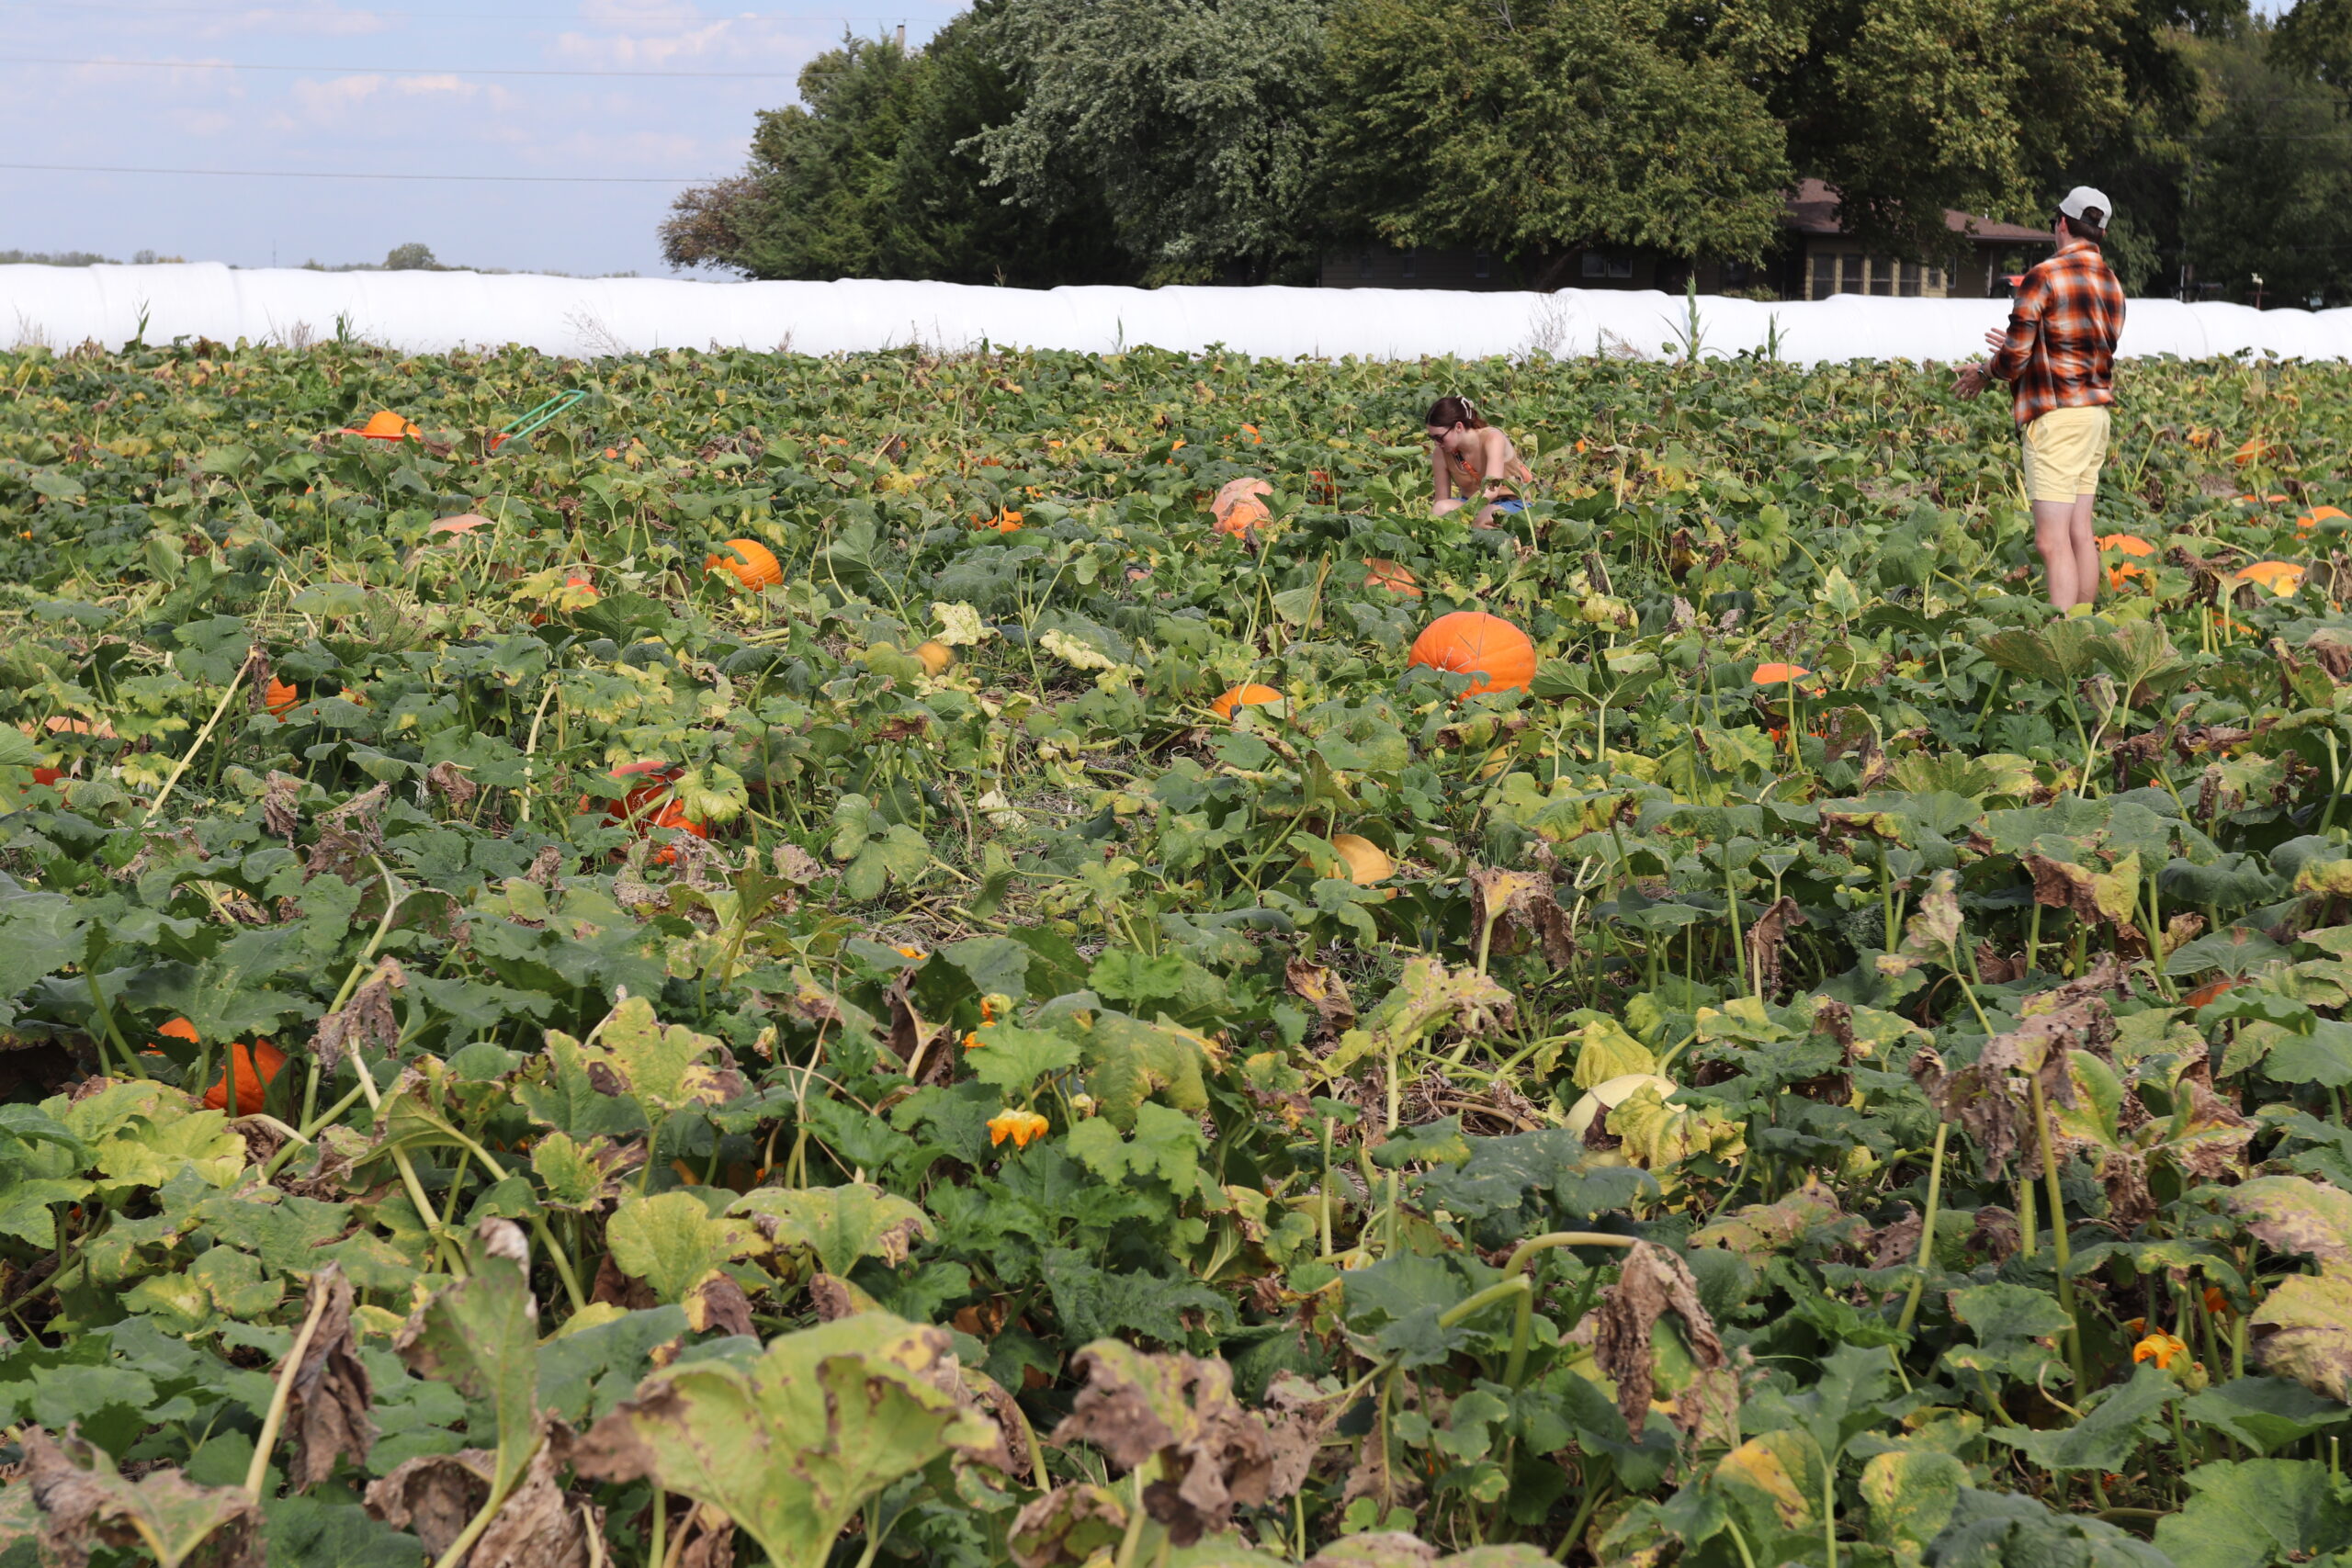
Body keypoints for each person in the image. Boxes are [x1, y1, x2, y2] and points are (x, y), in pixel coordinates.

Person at [1954, 186, 2127, 611]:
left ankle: (2064, 636)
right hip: (2094, 417)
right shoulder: (2111, 282)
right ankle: (2084, 628)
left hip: (2057, 419)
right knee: (2080, 533)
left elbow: (2014, 358)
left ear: (2062, 223)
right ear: (2101, 233)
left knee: (2051, 541)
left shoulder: (2044, 275)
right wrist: (2027, 348)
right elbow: (2085, 350)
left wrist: (1984, 371)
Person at [1426, 396, 1535, 527]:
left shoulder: (1492, 438)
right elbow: (1441, 499)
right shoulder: (1440, 453)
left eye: (1439, 438)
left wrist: (1462, 514)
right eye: (1432, 438)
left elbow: (1491, 490)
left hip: (1511, 503)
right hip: (1471, 504)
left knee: (1488, 516)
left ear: (1458, 427)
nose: (1436, 443)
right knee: (1439, 509)